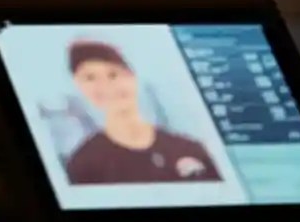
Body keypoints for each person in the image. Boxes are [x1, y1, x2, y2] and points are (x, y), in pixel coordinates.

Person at [64, 40, 220, 185]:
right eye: (90, 78)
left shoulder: (191, 149)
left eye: (113, 75)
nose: (105, 85)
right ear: (79, 87)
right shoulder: (83, 163)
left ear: (132, 77)